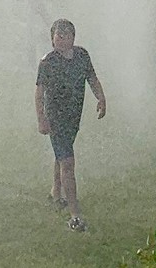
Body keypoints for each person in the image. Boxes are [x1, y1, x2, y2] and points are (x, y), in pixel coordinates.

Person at [35, 18, 106, 233]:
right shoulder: (47, 62)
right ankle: (75, 214)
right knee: (68, 163)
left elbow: (92, 78)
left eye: (66, 35)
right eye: (58, 35)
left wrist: (101, 98)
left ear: (73, 38)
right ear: (52, 38)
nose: (61, 39)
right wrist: (41, 119)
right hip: (55, 118)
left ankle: (56, 192)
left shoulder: (82, 56)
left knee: (61, 155)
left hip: (73, 117)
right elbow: (39, 93)